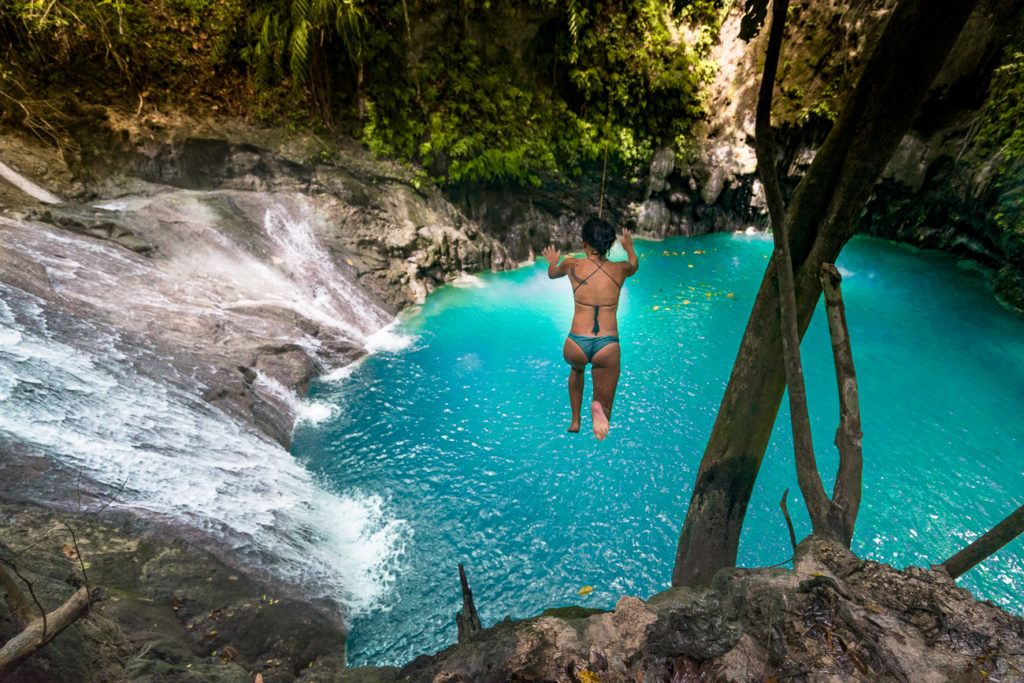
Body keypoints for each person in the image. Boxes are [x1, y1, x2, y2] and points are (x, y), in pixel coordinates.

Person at [542, 217, 638, 440]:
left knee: (577, 370)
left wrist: (552, 261)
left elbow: (552, 273)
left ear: (584, 243)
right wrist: (629, 247)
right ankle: (599, 410)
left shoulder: (571, 264)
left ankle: (575, 420)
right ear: (610, 245)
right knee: (605, 400)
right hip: (607, 344)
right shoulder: (620, 269)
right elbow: (634, 265)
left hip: (576, 342)